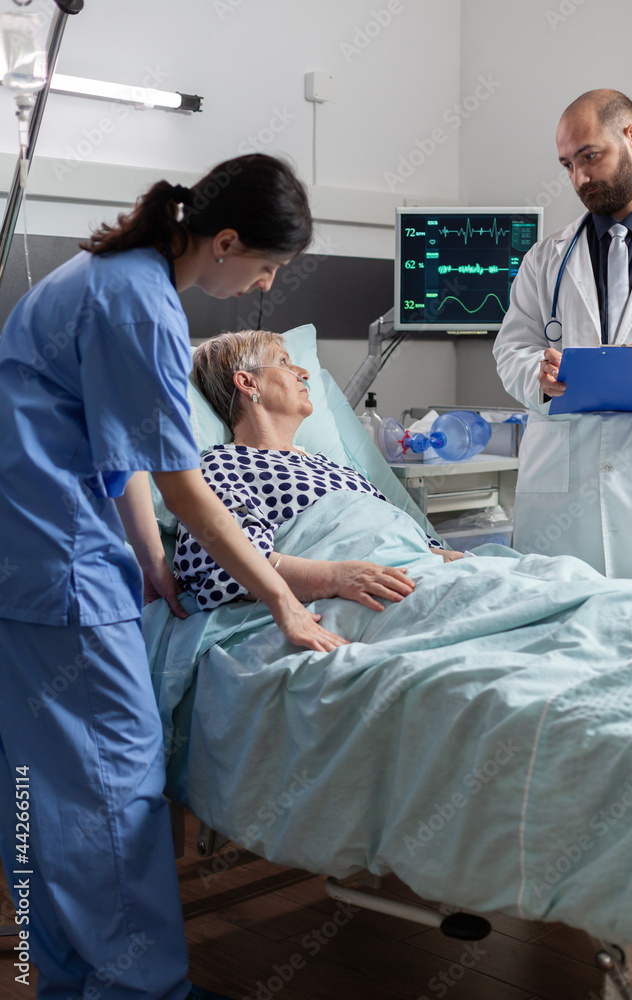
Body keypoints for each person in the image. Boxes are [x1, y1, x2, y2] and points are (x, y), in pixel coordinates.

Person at [0, 154, 347, 1000]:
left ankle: (68, 979)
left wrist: (150, 560)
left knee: (37, 786)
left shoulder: (98, 275)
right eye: (265, 265)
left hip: (27, 563)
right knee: (116, 781)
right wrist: (281, 598)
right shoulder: (141, 301)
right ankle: (140, 989)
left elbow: (112, 442)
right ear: (224, 241)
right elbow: (184, 488)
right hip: (62, 569)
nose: (264, 284)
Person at [493, 89, 632, 587]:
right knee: (557, 616)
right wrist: (538, 375)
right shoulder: (546, 256)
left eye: (590, 157)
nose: (579, 179)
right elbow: (512, 348)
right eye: (567, 165)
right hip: (563, 497)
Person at [174, 329, 463, 611]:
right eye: (284, 361)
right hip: (369, 596)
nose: (304, 372)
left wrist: (440, 554)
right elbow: (215, 561)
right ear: (248, 383)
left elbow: (391, 531)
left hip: (421, 571)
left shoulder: (330, 466)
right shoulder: (225, 464)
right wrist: (335, 577)